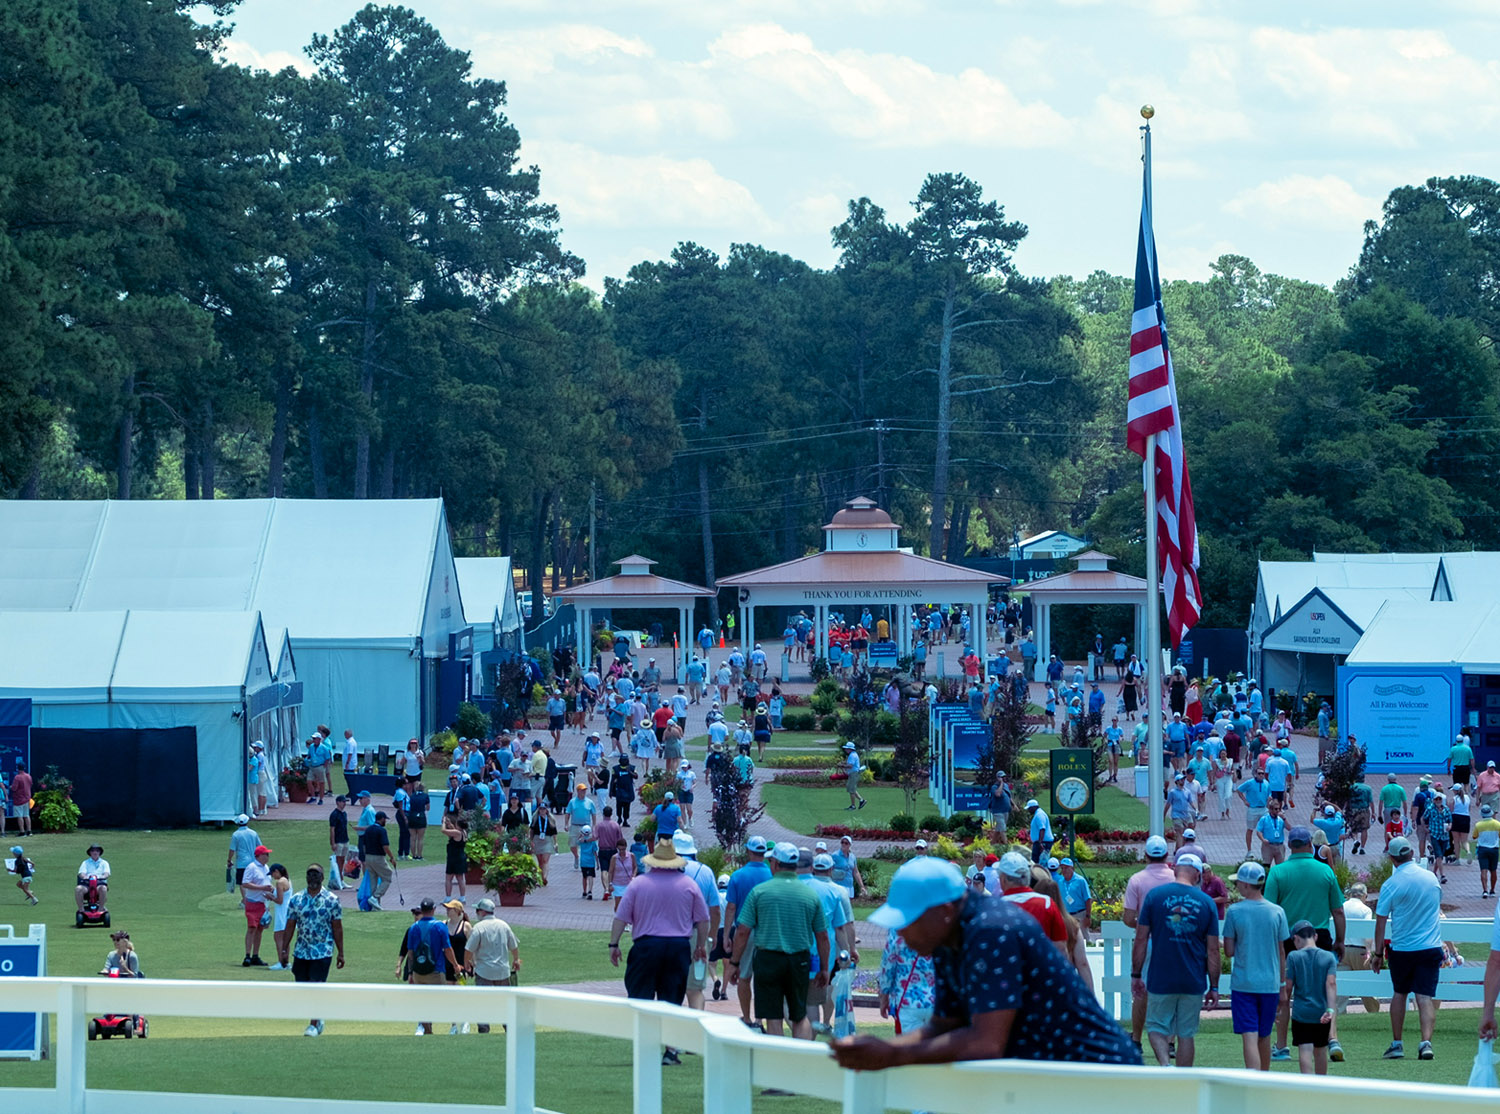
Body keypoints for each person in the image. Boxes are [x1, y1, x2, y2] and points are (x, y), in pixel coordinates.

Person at [832, 857, 1140, 1070]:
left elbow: (985, 1043)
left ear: (944, 910)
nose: (901, 931)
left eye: (909, 921)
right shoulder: (947, 938)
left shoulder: (992, 930)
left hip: (1097, 1074)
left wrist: (892, 1056)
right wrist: (885, 1048)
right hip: (1051, 1076)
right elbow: (944, 1025)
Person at [609, 838, 710, 1064]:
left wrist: (613, 944)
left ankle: (644, 1046)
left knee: (640, 997)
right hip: (677, 946)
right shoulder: (689, 885)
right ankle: (671, 1050)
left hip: (646, 946)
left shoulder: (638, 884)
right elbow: (703, 920)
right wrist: (701, 945)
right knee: (672, 998)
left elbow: (620, 918)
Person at [727, 841, 829, 1040]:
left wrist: (735, 962)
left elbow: (743, 931)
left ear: (775, 864)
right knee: (799, 1015)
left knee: (773, 1016)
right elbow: (822, 936)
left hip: (768, 959)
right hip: (799, 960)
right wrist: (824, 968)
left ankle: (779, 1063)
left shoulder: (760, 892)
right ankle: (802, 1057)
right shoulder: (810, 895)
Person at [1132, 854, 1219, 1067]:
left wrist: (1136, 974)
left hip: (1161, 977)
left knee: (1155, 1027)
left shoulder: (1154, 897)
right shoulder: (1207, 903)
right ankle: (1183, 1079)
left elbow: (1141, 939)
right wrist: (1214, 986)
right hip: (1193, 978)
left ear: (1175, 869)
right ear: (1197, 873)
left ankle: (1165, 1065)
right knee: (1186, 1034)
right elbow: (1213, 950)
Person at [1372, 835, 1443, 1060]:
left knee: (1400, 994)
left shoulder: (1391, 884)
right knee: (1424, 996)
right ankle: (1426, 1042)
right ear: (1411, 853)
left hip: (1402, 948)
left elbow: (1381, 920)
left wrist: (1377, 952)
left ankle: (1397, 1043)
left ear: (1393, 858)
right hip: (1430, 946)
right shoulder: (1431, 878)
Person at [1221, 861, 1288, 1070]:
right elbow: (1281, 951)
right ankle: (1264, 1079)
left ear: (1246, 885)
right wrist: (1283, 984)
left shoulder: (1235, 912)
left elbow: (1230, 950)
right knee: (1264, 1035)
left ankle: (1253, 1080)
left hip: (1244, 983)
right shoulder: (1277, 912)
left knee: (1249, 1036)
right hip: (1269, 983)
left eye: (1239, 883)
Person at [1122, 834, 1176, 1050]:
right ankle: (1170, 1041)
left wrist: (1144, 927)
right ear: (1166, 854)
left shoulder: (1137, 880)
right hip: (1173, 939)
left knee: (1140, 990)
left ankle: (1136, 1039)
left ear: (1146, 855)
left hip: (1147, 941)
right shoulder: (1175, 878)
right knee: (1172, 990)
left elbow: (1128, 918)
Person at [283, 862, 345, 1037]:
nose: (313, 878)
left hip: (322, 950)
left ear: (322, 877)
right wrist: (284, 949)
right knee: (303, 987)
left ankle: (313, 1024)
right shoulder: (296, 899)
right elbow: (290, 925)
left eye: (316, 874)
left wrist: (341, 952)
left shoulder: (331, 900)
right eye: (310, 874)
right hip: (302, 950)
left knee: (316, 986)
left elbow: (337, 927)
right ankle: (318, 1016)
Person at [724, 835, 773, 1028]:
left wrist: (727, 934)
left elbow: (731, 908)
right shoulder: (771, 875)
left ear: (748, 851)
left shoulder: (738, 876)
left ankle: (746, 1017)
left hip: (745, 931)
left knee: (744, 975)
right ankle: (761, 1018)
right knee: (764, 977)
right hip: (767, 931)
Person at [673, 831, 724, 1010]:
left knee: (671, 988)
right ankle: (696, 1032)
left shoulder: (665, 870)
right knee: (695, 990)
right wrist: (713, 934)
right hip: (697, 934)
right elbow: (715, 909)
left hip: (670, 934)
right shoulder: (705, 871)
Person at [1285, 920, 1338, 1075]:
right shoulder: (1328, 957)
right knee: (1321, 1049)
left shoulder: (1293, 957)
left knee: (1305, 1049)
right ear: (1315, 936)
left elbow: (1288, 986)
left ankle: (1306, 1084)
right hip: (1321, 1011)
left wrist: (1282, 1005)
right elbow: (1331, 983)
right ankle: (1321, 1085)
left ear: (1296, 938)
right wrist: (1330, 1008)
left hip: (1301, 1012)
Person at [403, 898, 461, 1035]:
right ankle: (454, 1025)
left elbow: (410, 953)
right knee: (443, 1001)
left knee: (423, 1002)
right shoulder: (440, 926)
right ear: (433, 909)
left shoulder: (413, 928)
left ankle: (427, 1030)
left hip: (418, 971)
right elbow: (447, 949)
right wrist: (455, 965)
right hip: (436, 970)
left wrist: (411, 972)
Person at [465, 897, 520, 1032]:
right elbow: (514, 946)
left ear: (483, 912)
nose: (476, 912)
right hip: (502, 971)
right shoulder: (504, 925)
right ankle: (508, 1027)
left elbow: (469, 949)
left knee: (483, 1002)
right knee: (504, 1002)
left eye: (478, 910)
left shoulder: (479, 927)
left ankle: (484, 1029)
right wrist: (516, 960)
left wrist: (467, 963)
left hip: (484, 971)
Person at [239, 844, 274, 966]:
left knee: (260, 930)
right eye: (266, 854)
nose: (268, 857)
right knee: (251, 928)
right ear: (259, 856)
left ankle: (255, 955)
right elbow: (245, 883)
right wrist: (262, 888)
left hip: (263, 903)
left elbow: (267, 882)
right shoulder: (252, 867)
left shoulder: (265, 868)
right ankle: (247, 955)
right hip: (253, 903)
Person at [359, 811, 396, 910]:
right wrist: (392, 857)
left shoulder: (368, 829)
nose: (385, 822)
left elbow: (364, 845)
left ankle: (374, 905)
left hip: (368, 857)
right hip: (378, 857)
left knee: (373, 881)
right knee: (387, 876)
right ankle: (375, 897)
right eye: (385, 819)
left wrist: (365, 857)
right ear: (382, 819)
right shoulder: (382, 831)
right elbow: (385, 846)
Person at [1237, 768, 1272, 857]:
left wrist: (1269, 803)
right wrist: (1245, 801)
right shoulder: (1250, 783)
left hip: (1263, 809)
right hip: (1252, 809)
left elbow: (1269, 794)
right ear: (1255, 774)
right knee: (1250, 829)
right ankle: (1249, 851)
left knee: (1267, 827)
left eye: (1263, 773)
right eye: (1259, 773)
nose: (1261, 775)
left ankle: (1267, 848)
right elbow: (1239, 790)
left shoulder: (1266, 783)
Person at [268, 862, 293, 969]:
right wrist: (274, 891)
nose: (272, 876)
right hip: (287, 911)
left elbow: (279, 900)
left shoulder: (279, 882)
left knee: (278, 937)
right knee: (285, 938)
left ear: (277, 872)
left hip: (282, 912)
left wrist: (270, 897)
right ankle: (286, 962)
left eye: (273, 874)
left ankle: (281, 962)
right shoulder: (287, 880)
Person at [227, 812, 260, 889]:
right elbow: (260, 847)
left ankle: (245, 899)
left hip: (241, 863)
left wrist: (229, 860)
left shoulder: (236, 834)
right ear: (247, 822)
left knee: (242, 882)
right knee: (253, 881)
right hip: (253, 862)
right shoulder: (253, 833)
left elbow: (232, 849)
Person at [75, 843, 110, 913]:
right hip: (87, 884)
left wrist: (102, 876)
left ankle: (100, 909)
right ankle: (81, 909)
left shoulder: (104, 863)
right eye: (93, 851)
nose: (95, 852)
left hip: (99, 883)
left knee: (103, 888)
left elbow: (107, 873)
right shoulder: (85, 863)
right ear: (90, 853)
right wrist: (84, 877)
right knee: (78, 889)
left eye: (97, 851)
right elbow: (81, 873)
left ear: (99, 852)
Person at [529, 802, 556, 887]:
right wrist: (531, 840)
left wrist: (556, 842)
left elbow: (554, 832)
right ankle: (540, 878)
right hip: (537, 839)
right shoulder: (536, 818)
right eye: (541, 809)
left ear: (546, 810)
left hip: (547, 840)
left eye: (544, 809)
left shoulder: (550, 819)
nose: (542, 811)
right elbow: (532, 830)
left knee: (545, 860)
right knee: (540, 860)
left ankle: (545, 877)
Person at [1477, 804, 1500, 897]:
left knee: (1484, 870)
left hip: (1482, 849)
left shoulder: (1478, 825)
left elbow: (1474, 836)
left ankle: (1485, 890)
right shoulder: (1497, 824)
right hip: (1494, 849)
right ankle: (1492, 890)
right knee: (1493, 870)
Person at [1025, 799, 1053, 865]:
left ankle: (1040, 874)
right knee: (1037, 861)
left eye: (1029, 808)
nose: (1028, 810)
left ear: (1034, 807)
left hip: (1043, 842)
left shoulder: (1039, 815)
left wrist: (1040, 843)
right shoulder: (1038, 814)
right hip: (1041, 842)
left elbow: (1042, 829)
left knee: (1039, 862)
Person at [840, 742, 865, 811]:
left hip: (854, 773)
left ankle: (853, 805)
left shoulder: (852, 755)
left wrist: (842, 766)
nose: (845, 750)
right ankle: (861, 800)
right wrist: (844, 763)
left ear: (850, 749)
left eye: (846, 748)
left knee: (851, 789)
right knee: (851, 788)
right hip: (853, 773)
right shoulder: (853, 755)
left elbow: (850, 766)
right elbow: (850, 763)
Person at [9, 764, 32, 835]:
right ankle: (29, 831)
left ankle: (22, 831)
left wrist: (10, 787)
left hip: (19, 799)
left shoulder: (17, 777)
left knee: (20, 815)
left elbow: (14, 788)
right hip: (27, 798)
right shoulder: (28, 776)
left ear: (18, 769)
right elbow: (30, 784)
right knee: (26, 815)